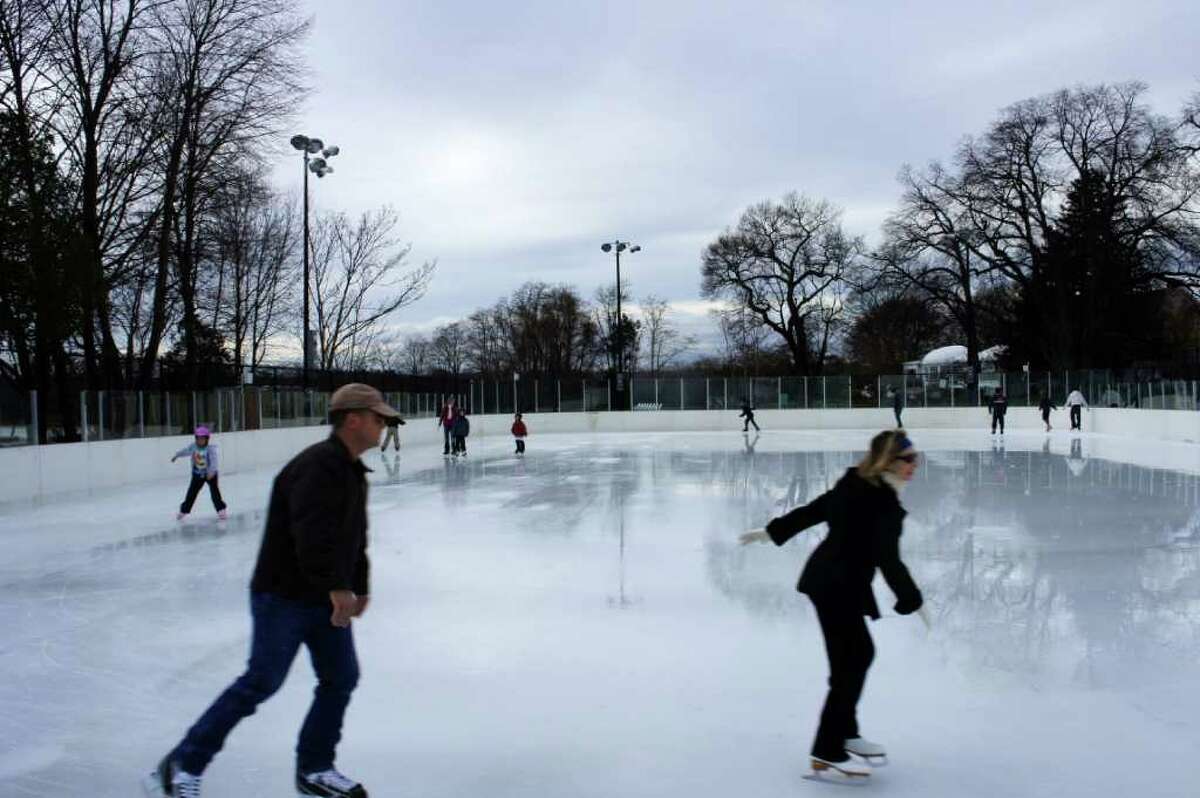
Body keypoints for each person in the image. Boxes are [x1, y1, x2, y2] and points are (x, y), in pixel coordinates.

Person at [147, 383, 398, 798]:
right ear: (353, 419)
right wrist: (339, 588)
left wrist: (360, 586)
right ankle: (181, 765)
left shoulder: (351, 469)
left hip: (322, 596)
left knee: (340, 678)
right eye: (378, 418)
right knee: (261, 681)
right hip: (284, 596)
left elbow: (356, 538)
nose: (383, 426)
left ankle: (315, 768)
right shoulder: (318, 466)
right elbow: (310, 535)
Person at [740, 430, 924, 781]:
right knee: (854, 659)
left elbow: (817, 510)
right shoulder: (880, 501)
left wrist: (774, 532)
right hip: (836, 585)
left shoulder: (857, 484)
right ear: (890, 461)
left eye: (916, 458)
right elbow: (889, 560)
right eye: (909, 459)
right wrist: (910, 598)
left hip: (833, 582)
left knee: (851, 660)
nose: (915, 466)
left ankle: (845, 733)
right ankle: (828, 750)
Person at [171, 426, 227, 521]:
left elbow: (214, 462)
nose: (200, 441)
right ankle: (184, 510)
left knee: (215, 493)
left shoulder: (210, 449)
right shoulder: (193, 447)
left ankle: (221, 509)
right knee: (191, 493)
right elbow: (186, 451)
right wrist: (177, 455)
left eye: (203, 439)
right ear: (196, 439)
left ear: (207, 439)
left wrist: (211, 472)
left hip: (210, 475)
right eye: (199, 439)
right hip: (197, 474)